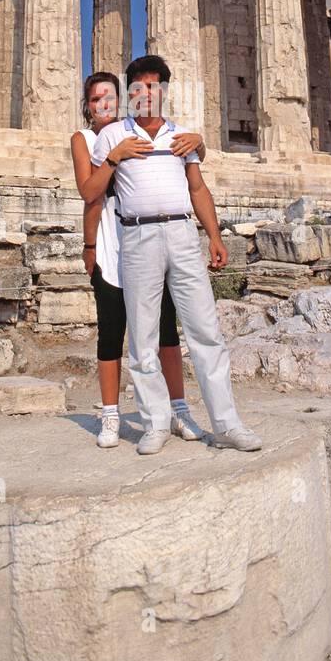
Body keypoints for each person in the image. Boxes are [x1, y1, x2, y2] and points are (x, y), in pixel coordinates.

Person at [86, 55, 262, 456]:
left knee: (205, 331)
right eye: (137, 88)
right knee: (143, 336)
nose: (145, 94)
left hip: (182, 233)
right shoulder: (112, 137)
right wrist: (115, 158)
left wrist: (214, 236)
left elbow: (197, 189)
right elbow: (90, 192)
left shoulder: (183, 137)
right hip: (138, 236)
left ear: (163, 92)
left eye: (153, 87)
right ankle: (154, 424)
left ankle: (228, 424)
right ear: (129, 94)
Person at [71, 71, 206, 449]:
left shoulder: (138, 131)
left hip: (147, 236)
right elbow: (89, 194)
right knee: (112, 331)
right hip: (111, 238)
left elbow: (184, 161)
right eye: (96, 99)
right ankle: (111, 415)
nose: (104, 105)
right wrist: (89, 246)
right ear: (87, 105)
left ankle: (178, 410)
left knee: (164, 328)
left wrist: (202, 144)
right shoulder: (86, 139)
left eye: (110, 97)